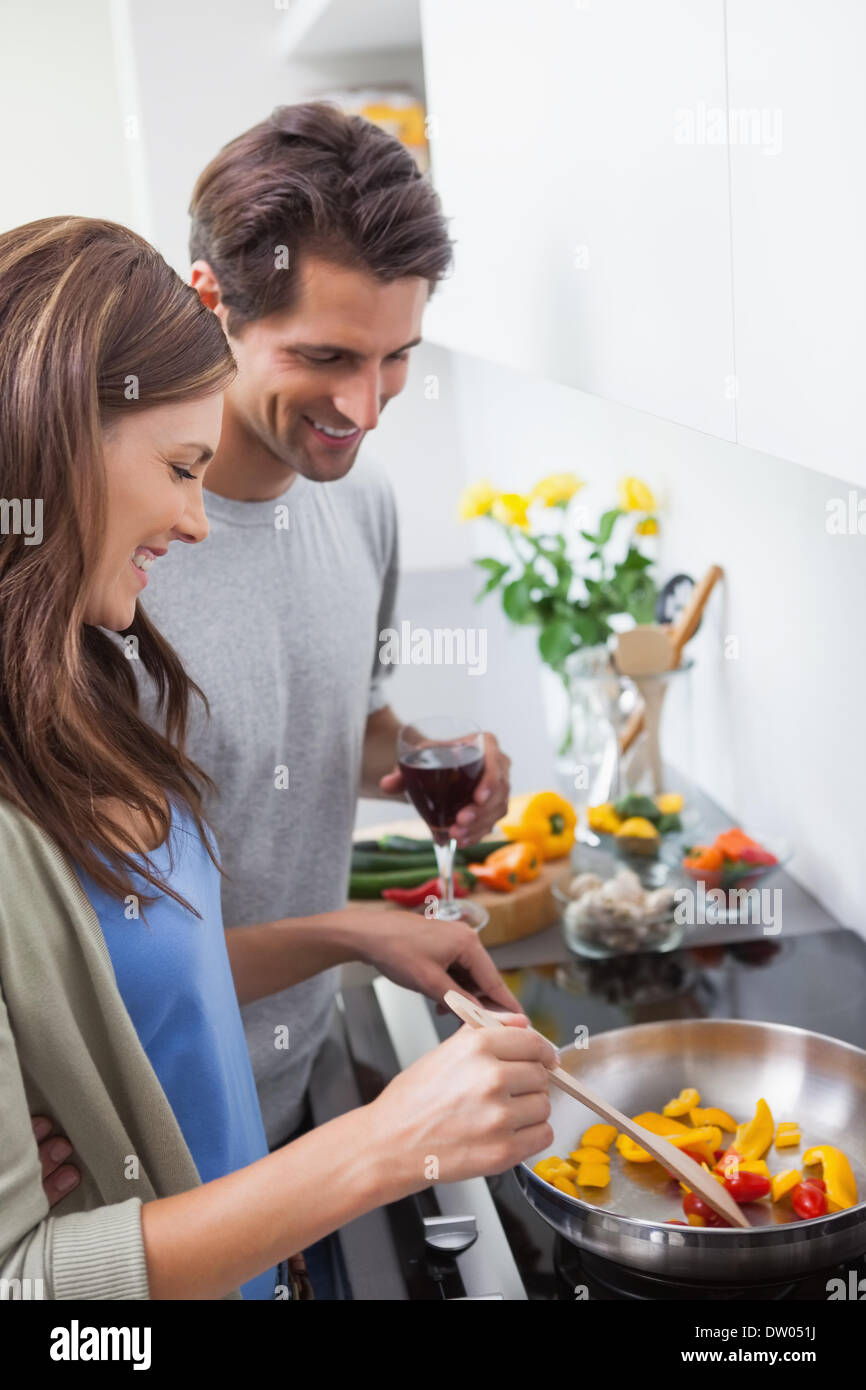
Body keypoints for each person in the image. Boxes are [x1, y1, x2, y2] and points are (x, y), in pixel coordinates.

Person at [0, 215, 555, 1300]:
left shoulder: (94, 673)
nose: (197, 521)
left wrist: (341, 933)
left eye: (396, 360)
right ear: (52, 443)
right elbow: (26, 1285)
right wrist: (387, 1144)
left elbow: (136, 976)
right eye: (175, 466)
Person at [133, 102, 515, 1168]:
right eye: (327, 354)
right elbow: (96, 958)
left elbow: (324, 734)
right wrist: (354, 932)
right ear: (211, 303)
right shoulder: (110, 554)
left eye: (395, 357)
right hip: (135, 1133)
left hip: (289, 1093)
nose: (366, 403)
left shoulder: (360, 502)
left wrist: (434, 765)